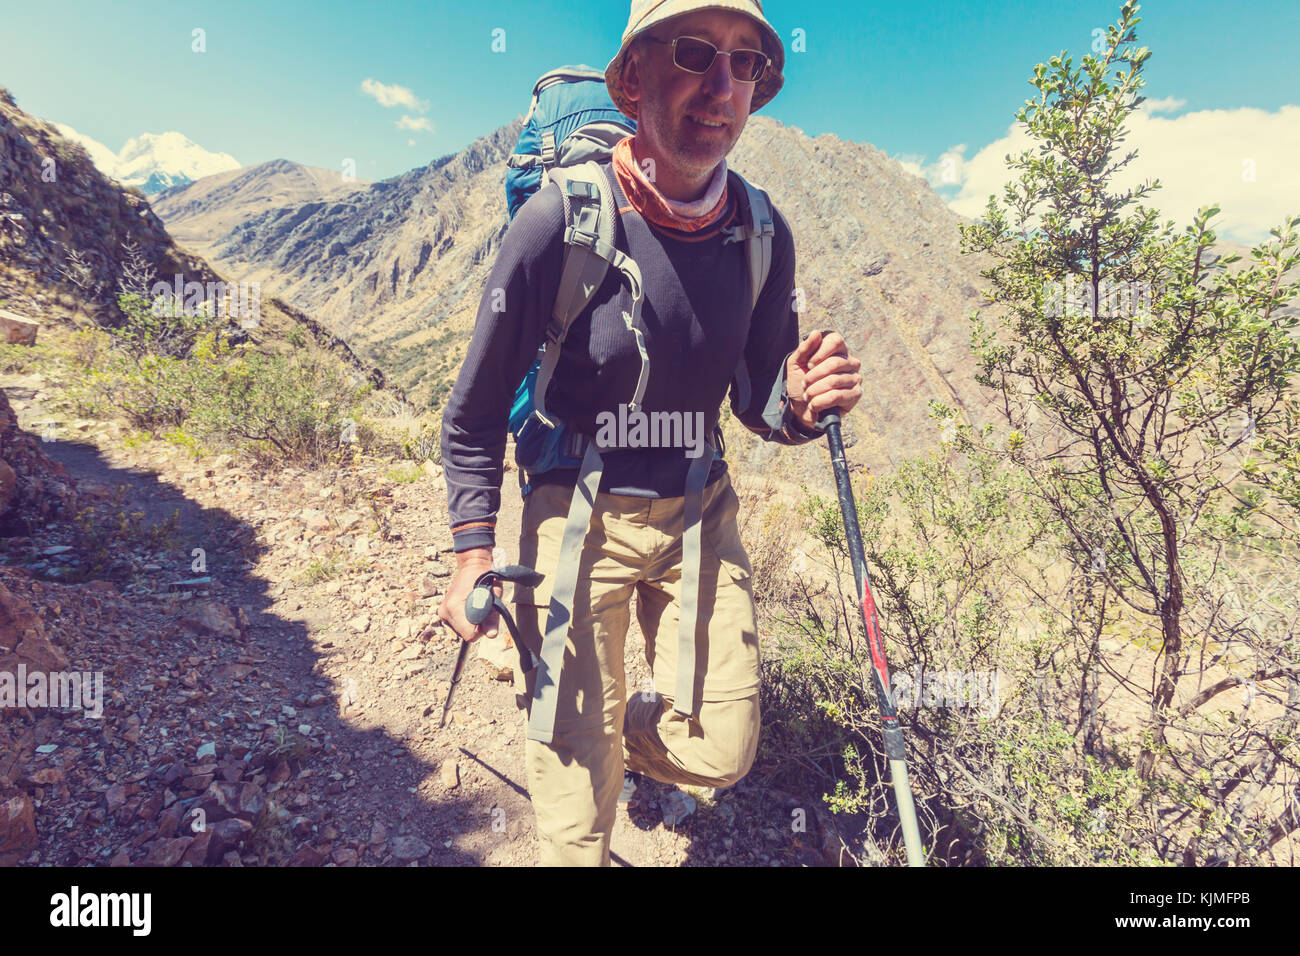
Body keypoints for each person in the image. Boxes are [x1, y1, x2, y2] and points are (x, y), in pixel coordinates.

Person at [438, 0, 863, 866]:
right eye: (695, 52)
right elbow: (473, 411)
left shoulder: (762, 232)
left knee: (721, 746)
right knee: (573, 822)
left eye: (745, 63)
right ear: (632, 80)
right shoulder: (559, 222)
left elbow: (757, 399)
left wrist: (801, 403)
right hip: (576, 514)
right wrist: (471, 553)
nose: (721, 86)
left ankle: (614, 730)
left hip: (699, 507)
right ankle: (581, 743)